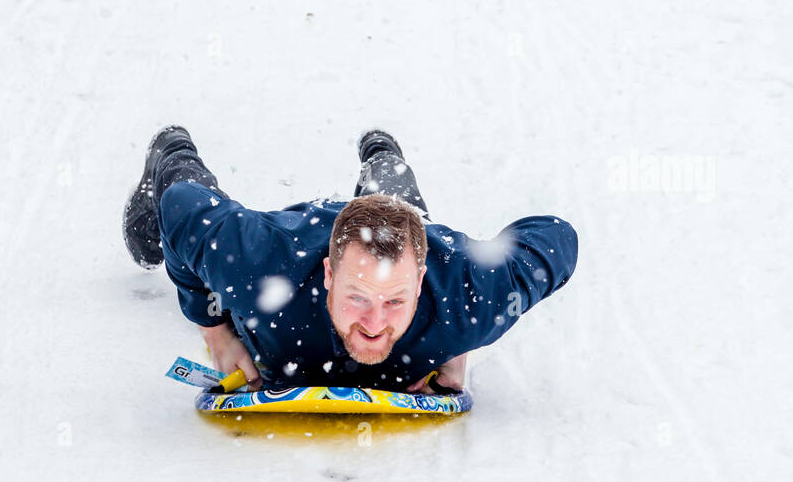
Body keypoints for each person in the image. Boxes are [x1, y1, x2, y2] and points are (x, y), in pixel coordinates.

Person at [122, 125, 578, 393]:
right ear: (329, 275)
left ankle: (381, 152)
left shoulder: (467, 298)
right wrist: (215, 330)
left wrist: (458, 339)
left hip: (402, 232)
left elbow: (558, 236)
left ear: (420, 283)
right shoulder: (258, 264)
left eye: (396, 301)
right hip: (301, 236)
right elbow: (182, 205)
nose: (375, 323)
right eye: (358, 298)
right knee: (159, 226)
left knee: (399, 207)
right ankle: (173, 144)